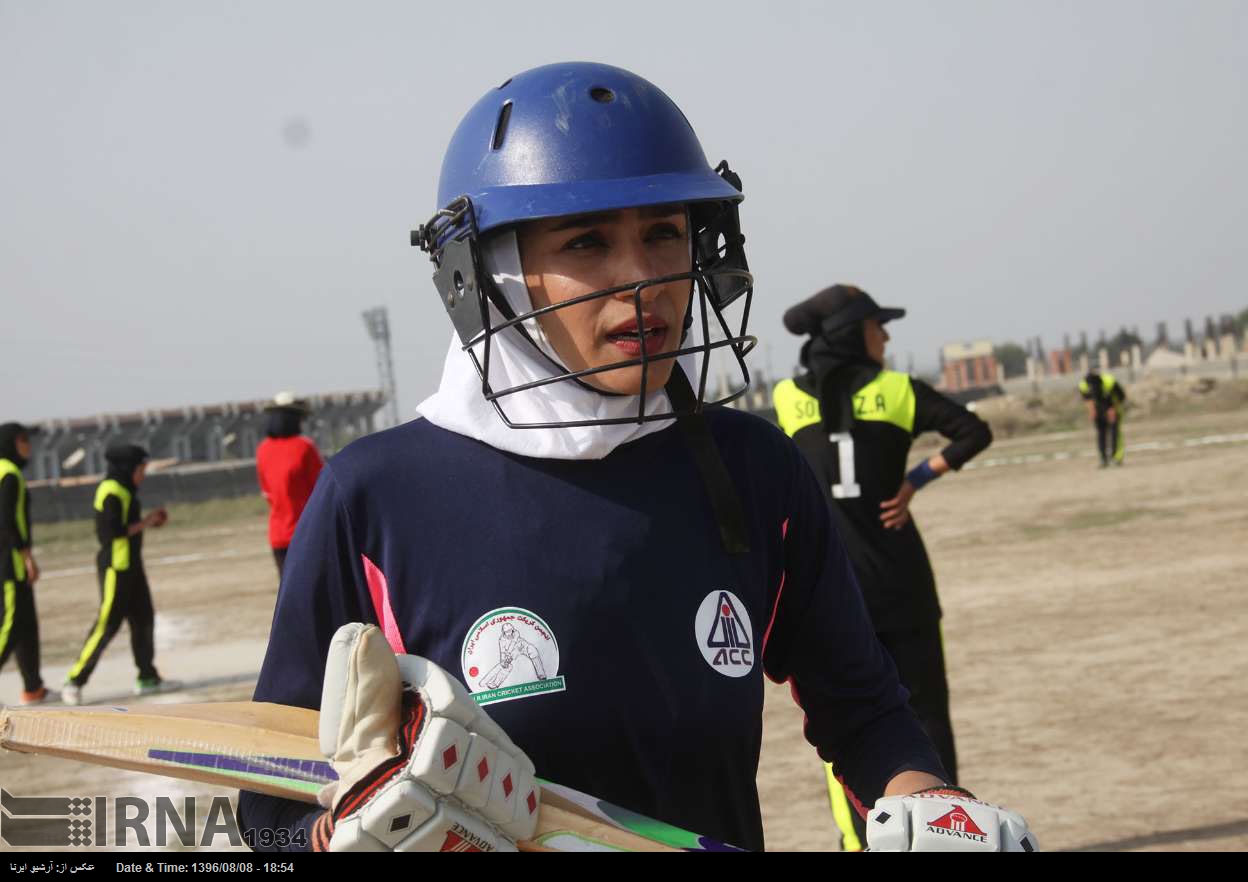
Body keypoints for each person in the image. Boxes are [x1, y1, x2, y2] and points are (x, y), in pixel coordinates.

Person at [239, 62, 1035, 853]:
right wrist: (338, 839)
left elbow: (865, 711)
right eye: (587, 241)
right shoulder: (375, 500)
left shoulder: (755, 469)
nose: (644, 278)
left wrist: (932, 809)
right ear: (490, 275)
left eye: (664, 233)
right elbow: (269, 813)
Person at [774, 284, 993, 850]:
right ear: (854, 332)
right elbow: (975, 430)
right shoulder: (897, 391)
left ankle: (858, 842)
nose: (887, 336)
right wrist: (917, 479)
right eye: (879, 326)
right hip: (902, 583)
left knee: (839, 727)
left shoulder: (786, 399)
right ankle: (946, 840)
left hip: (825, 592)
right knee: (926, 719)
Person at [62, 442, 179, 705]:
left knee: (143, 620)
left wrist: (147, 523)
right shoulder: (110, 490)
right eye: (141, 469)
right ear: (128, 468)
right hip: (116, 568)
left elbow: (129, 527)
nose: (143, 474)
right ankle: (74, 680)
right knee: (107, 624)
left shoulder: (126, 489)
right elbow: (111, 532)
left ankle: (147, 677)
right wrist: (147, 522)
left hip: (132, 567)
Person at [0, 422, 57, 705]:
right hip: (9, 561)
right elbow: (7, 521)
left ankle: (33, 688)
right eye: (23, 440)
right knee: (10, 626)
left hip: (10, 558)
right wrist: (27, 557)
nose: (28, 445)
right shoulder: (9, 475)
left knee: (25, 626)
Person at [256, 392, 323, 577]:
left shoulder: (263, 449)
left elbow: (267, 492)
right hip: (308, 531)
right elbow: (321, 489)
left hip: (278, 533)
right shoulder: (304, 447)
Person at [1079, 371, 1126, 467]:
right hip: (1098, 408)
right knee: (1101, 433)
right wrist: (1091, 411)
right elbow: (1087, 399)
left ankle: (1116, 458)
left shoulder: (1109, 382)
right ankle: (1103, 459)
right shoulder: (1083, 385)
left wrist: (1113, 409)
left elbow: (1121, 396)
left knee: (1115, 433)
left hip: (1113, 406)